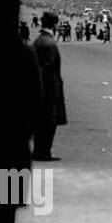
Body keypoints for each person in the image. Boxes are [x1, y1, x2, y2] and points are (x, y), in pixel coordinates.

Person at [32, 12, 67, 161]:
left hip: (41, 86)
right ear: (53, 24)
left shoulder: (39, 40)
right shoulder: (49, 42)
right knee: (49, 121)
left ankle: (39, 151)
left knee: (42, 120)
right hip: (49, 87)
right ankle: (43, 152)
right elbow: (48, 66)